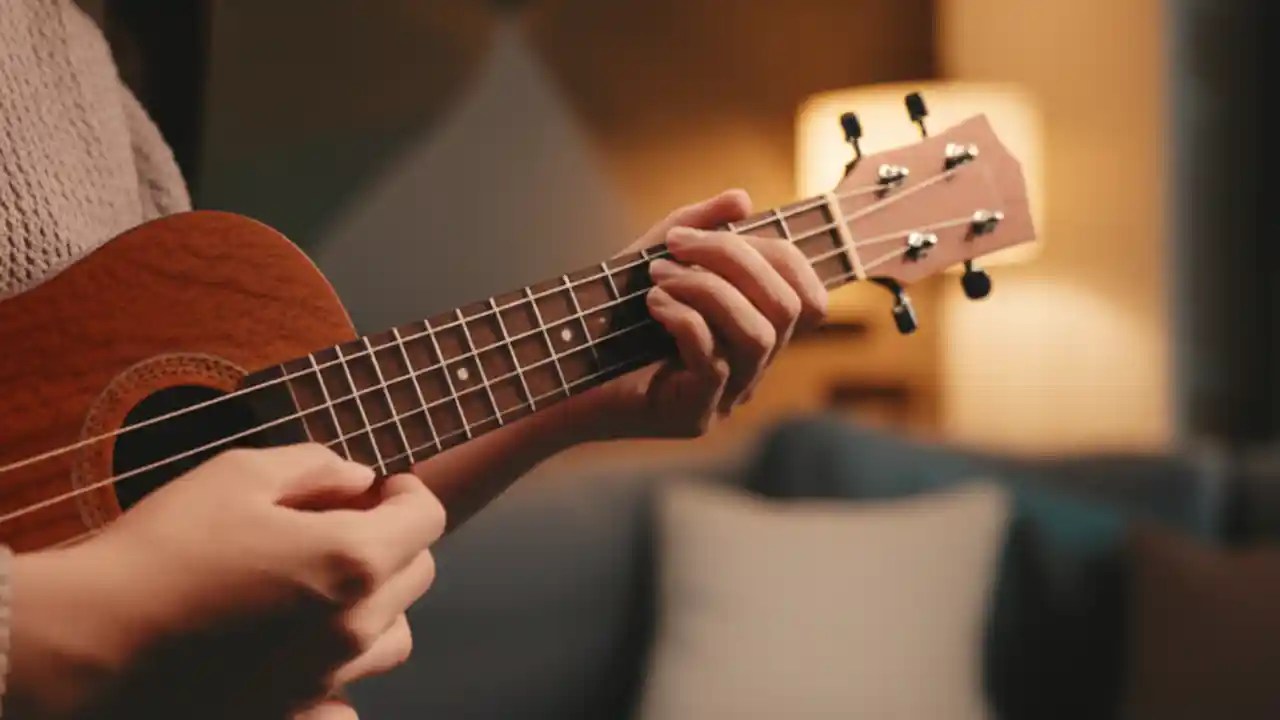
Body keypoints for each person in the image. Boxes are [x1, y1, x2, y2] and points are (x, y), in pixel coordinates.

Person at [0, 2, 827, 719]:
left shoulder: (93, 59)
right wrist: (86, 627)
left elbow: (178, 511)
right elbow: (128, 600)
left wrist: (588, 384)